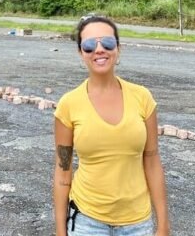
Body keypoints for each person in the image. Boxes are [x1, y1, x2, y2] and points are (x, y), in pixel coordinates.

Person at [53, 15, 170, 235]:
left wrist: (163, 223)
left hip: (137, 222)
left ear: (118, 48)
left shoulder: (142, 98)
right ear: (80, 53)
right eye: (89, 45)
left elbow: (152, 159)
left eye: (107, 42)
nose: (99, 50)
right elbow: (63, 171)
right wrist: (60, 230)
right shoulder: (68, 105)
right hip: (87, 221)